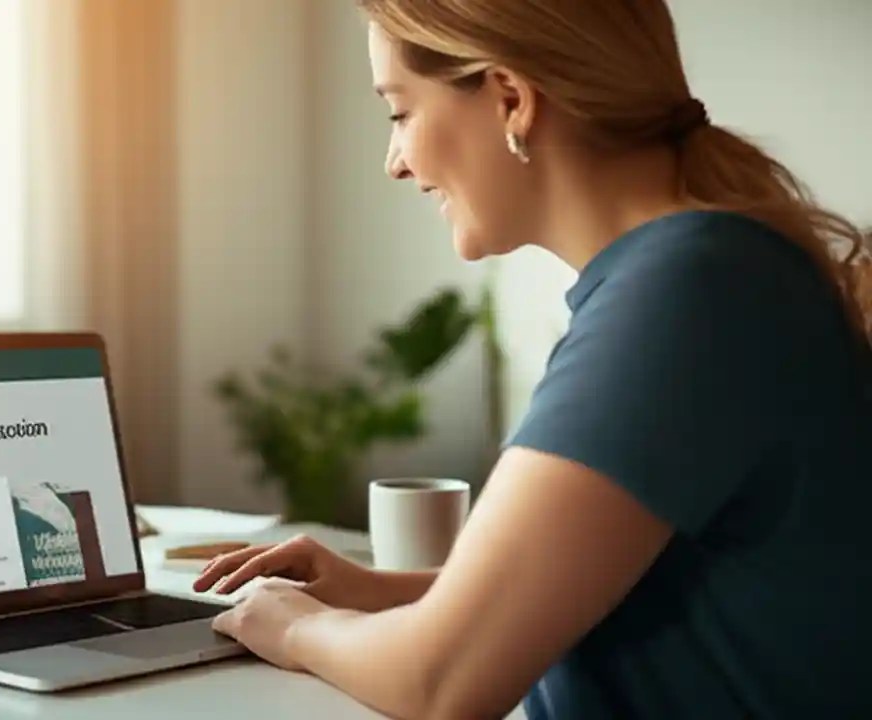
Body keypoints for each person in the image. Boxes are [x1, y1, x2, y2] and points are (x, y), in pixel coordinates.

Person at [192, 1, 872, 718]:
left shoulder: (688, 293)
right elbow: (624, 588)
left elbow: (441, 684)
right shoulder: (707, 272)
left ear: (511, 100)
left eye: (399, 113)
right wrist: (375, 590)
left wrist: (296, 626)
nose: (395, 162)